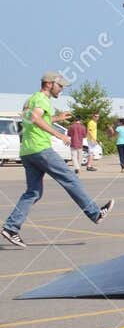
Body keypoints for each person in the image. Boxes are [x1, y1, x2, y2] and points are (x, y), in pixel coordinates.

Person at [2, 71, 114, 248]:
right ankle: (95, 213)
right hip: (41, 150)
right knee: (70, 179)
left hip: (27, 151)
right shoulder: (42, 99)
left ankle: (10, 228)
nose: (61, 89)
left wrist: (56, 118)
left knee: (33, 193)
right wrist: (58, 134)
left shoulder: (32, 99)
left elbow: (31, 120)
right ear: (49, 84)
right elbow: (35, 118)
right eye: (60, 85)